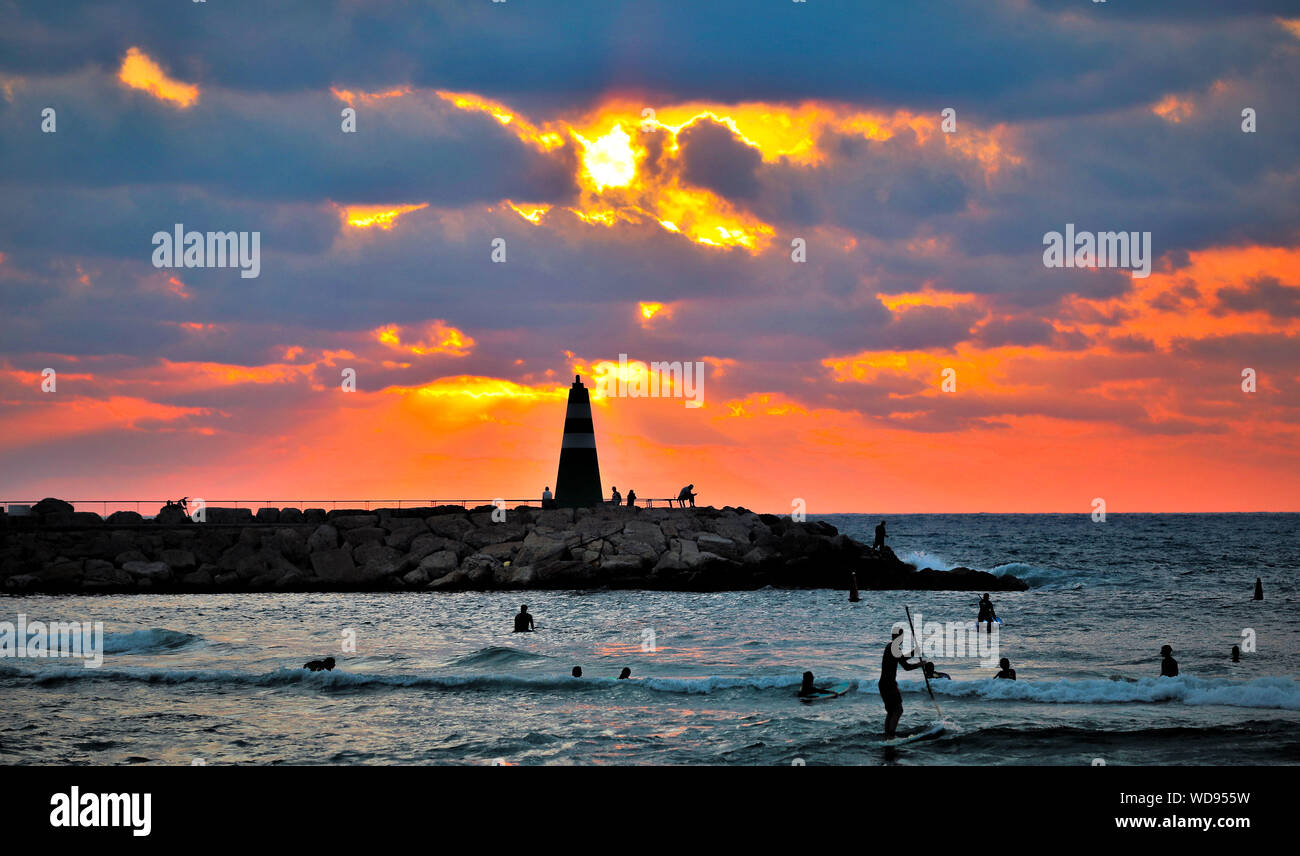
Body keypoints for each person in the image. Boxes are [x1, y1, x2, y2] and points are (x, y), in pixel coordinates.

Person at [880, 628, 924, 738]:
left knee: (891, 711)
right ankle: (891, 735)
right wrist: (919, 664)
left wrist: (914, 652)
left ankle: (888, 734)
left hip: (884, 684)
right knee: (898, 710)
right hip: (889, 684)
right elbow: (906, 666)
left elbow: (901, 658)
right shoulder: (894, 648)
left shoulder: (890, 647)